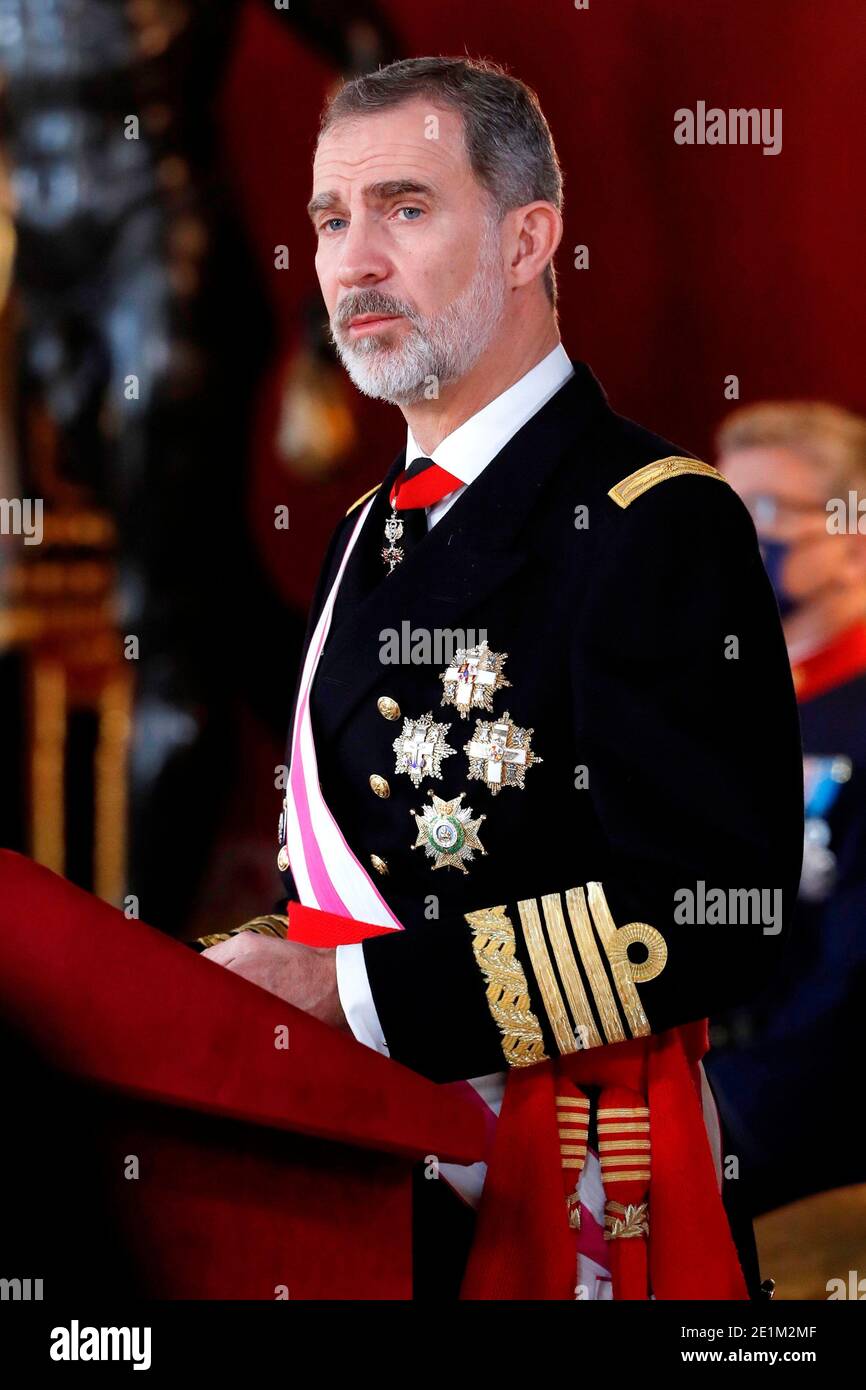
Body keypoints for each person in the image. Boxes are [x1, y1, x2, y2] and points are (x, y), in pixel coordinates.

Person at [198, 55, 804, 1300]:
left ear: (531, 239)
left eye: (404, 209)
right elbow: (347, 877)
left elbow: (713, 907)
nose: (351, 261)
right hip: (356, 1173)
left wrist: (345, 990)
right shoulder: (363, 527)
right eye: (329, 218)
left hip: (559, 1186)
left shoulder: (652, 520)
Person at [706, 402, 866, 1215]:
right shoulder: (715, 698)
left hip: (798, 1118)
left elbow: (855, 988)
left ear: (852, 538)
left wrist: (722, 1113)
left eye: (764, 511)